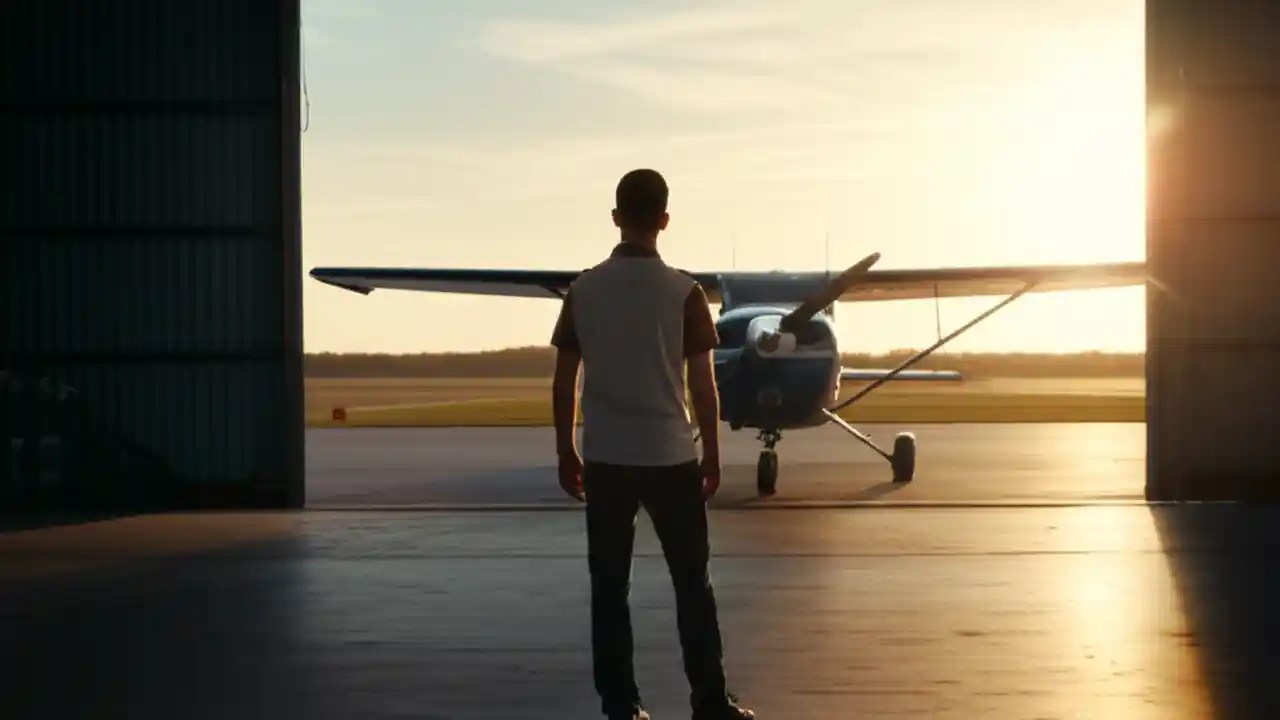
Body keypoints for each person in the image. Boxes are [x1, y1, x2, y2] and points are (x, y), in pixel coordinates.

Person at [550, 169, 755, 720]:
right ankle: (710, 701)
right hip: (671, 457)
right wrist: (712, 453)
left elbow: (564, 377)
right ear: (664, 220)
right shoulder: (685, 293)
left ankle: (621, 706)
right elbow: (703, 386)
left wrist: (566, 450)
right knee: (693, 586)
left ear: (616, 218)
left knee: (609, 589)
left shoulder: (583, 290)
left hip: (607, 459)